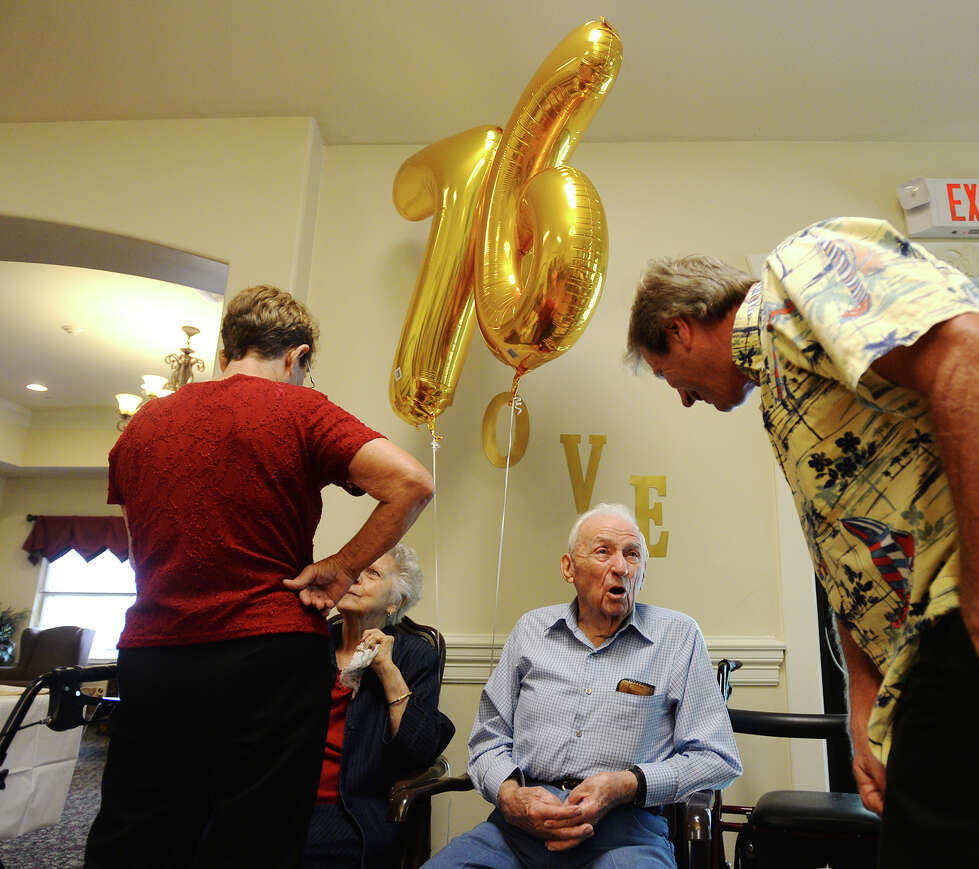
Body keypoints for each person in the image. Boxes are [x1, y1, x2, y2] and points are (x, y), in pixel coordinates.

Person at [626, 217, 979, 868]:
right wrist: (864, 703)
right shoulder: (781, 394)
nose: (680, 398)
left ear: (677, 328)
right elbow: (846, 547)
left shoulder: (799, 270)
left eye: (665, 373)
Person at [87, 285, 434, 869]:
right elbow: (412, 484)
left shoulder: (143, 424)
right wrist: (341, 566)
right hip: (266, 654)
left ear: (227, 351)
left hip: (154, 656)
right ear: (296, 358)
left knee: (137, 831)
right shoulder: (299, 408)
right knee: (253, 839)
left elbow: (137, 543)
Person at [425, 503, 741, 869]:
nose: (620, 567)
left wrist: (626, 784)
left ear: (642, 573)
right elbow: (488, 739)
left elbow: (717, 758)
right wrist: (511, 797)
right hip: (518, 830)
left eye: (632, 555)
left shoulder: (678, 636)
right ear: (568, 568)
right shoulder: (531, 630)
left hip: (626, 834)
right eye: (603, 552)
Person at [303, 544, 454, 868]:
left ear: (394, 603)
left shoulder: (413, 656)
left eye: (371, 573)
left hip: (352, 809)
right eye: (353, 569)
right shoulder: (312, 643)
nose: (354, 578)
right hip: (288, 798)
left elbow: (419, 749)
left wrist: (387, 670)